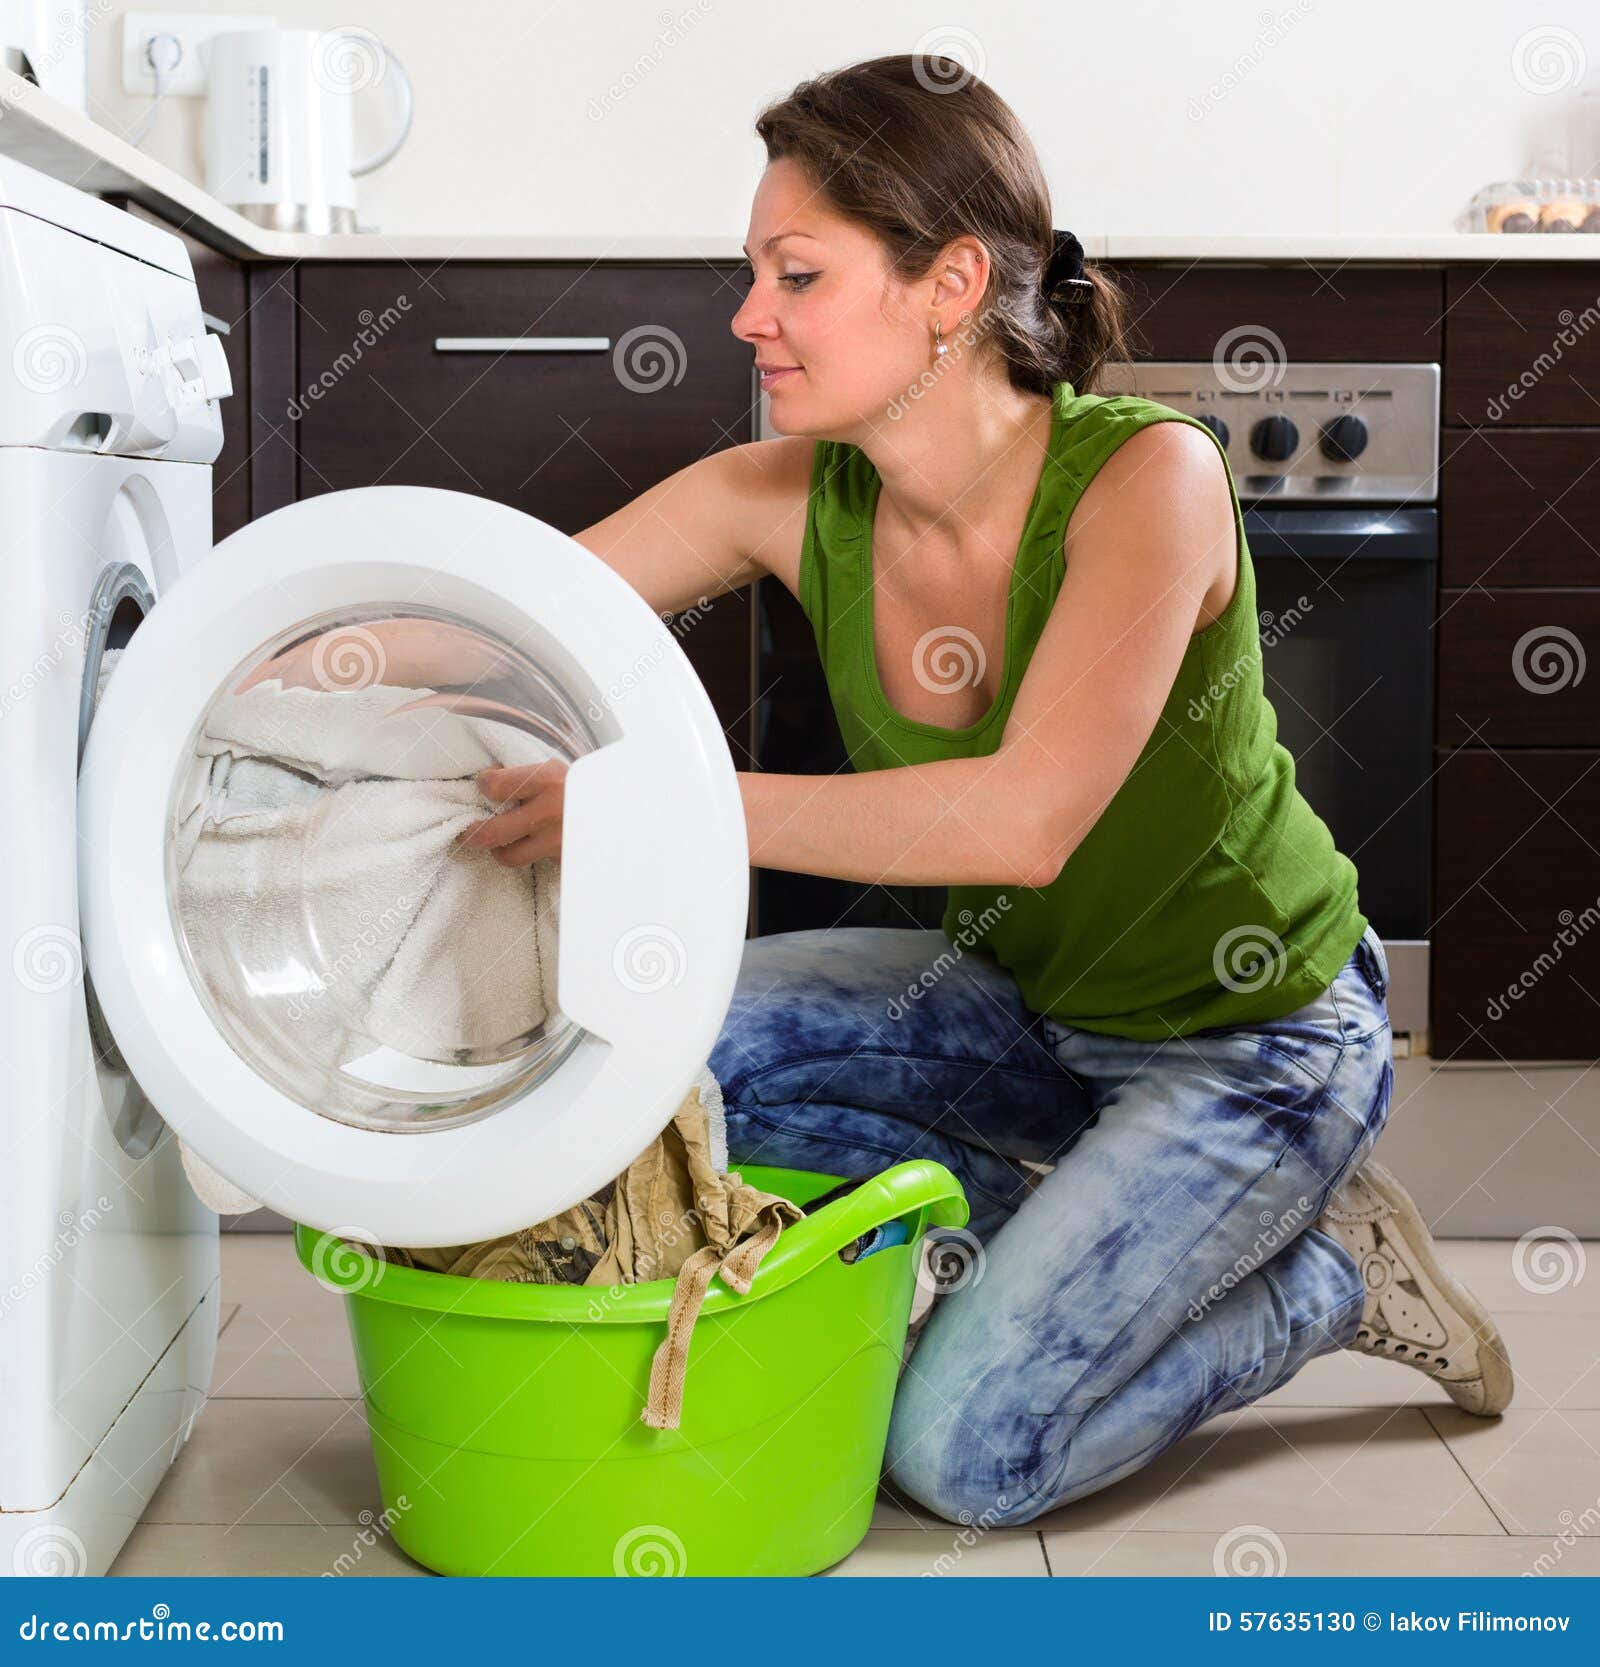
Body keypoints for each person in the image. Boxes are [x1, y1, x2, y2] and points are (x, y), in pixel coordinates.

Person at [456, 55, 1514, 1525]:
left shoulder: (1148, 480)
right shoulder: (788, 496)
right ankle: (1075, 1246)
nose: (749, 314)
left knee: (962, 1454)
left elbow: (1024, 819)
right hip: (1033, 1008)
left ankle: (1324, 1281)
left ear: (951, 286)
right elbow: (512, 607)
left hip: (1254, 1042)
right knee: (652, 1060)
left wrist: (653, 798)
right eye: (754, 271)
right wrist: (273, 651)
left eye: (797, 273)